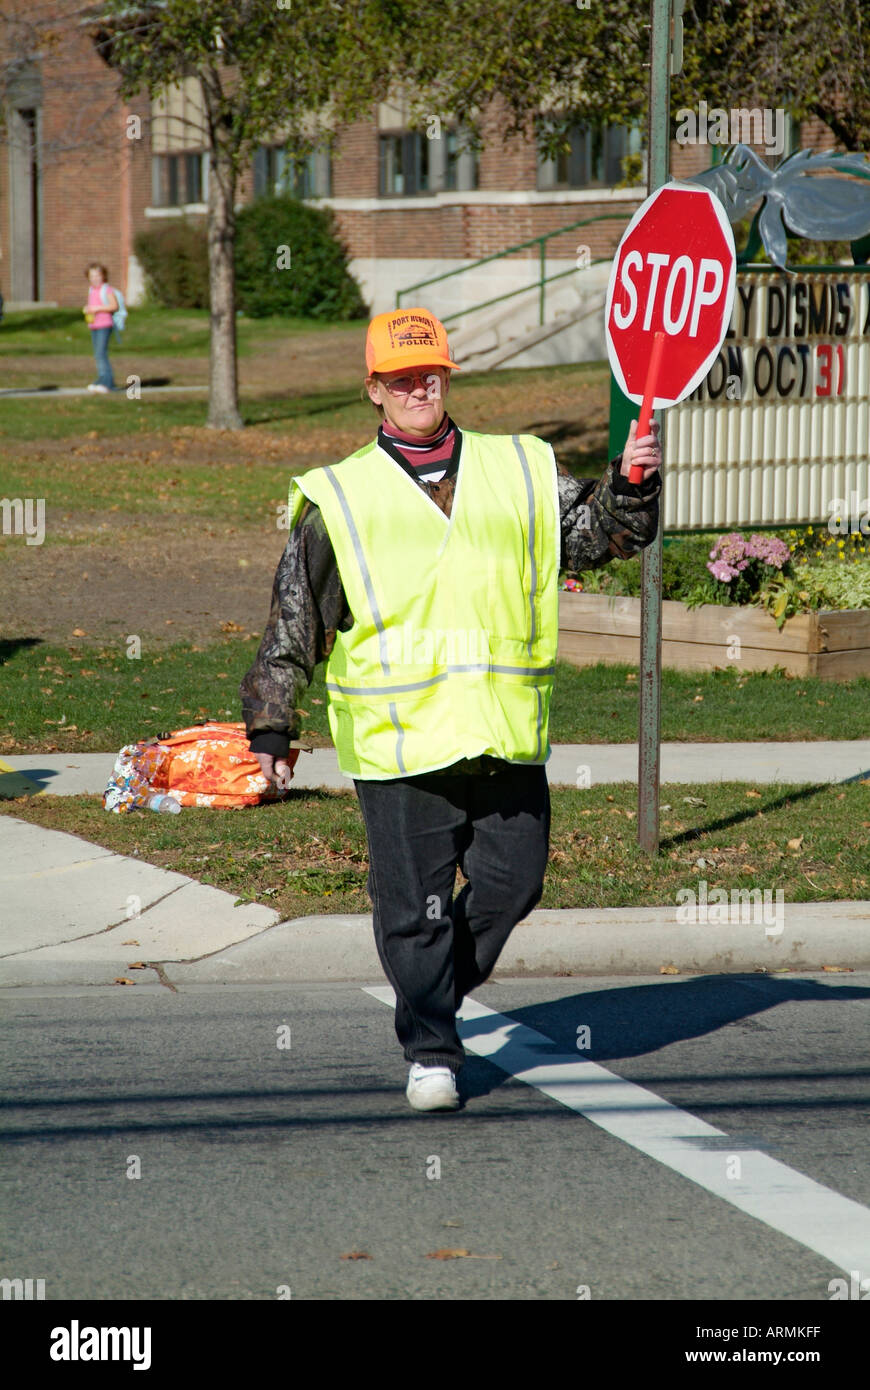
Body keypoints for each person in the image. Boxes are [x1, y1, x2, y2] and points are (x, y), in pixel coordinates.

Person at [240, 306, 662, 1113]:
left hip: (502, 731)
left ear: (447, 377)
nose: (417, 388)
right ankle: (432, 1047)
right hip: (400, 746)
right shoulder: (343, 497)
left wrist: (631, 485)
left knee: (515, 882)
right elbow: (295, 618)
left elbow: (598, 535)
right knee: (412, 910)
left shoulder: (522, 469)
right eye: (400, 378)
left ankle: (422, 995)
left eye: (429, 372)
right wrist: (273, 723)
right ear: (374, 390)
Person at [83, 263, 118, 392]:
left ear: (103, 276)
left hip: (105, 325)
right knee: (97, 355)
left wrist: (97, 308)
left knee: (101, 353)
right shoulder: (91, 290)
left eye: (97, 275)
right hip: (94, 325)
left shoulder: (107, 289)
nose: (95, 278)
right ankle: (102, 378)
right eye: (92, 276)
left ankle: (107, 382)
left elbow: (114, 306)